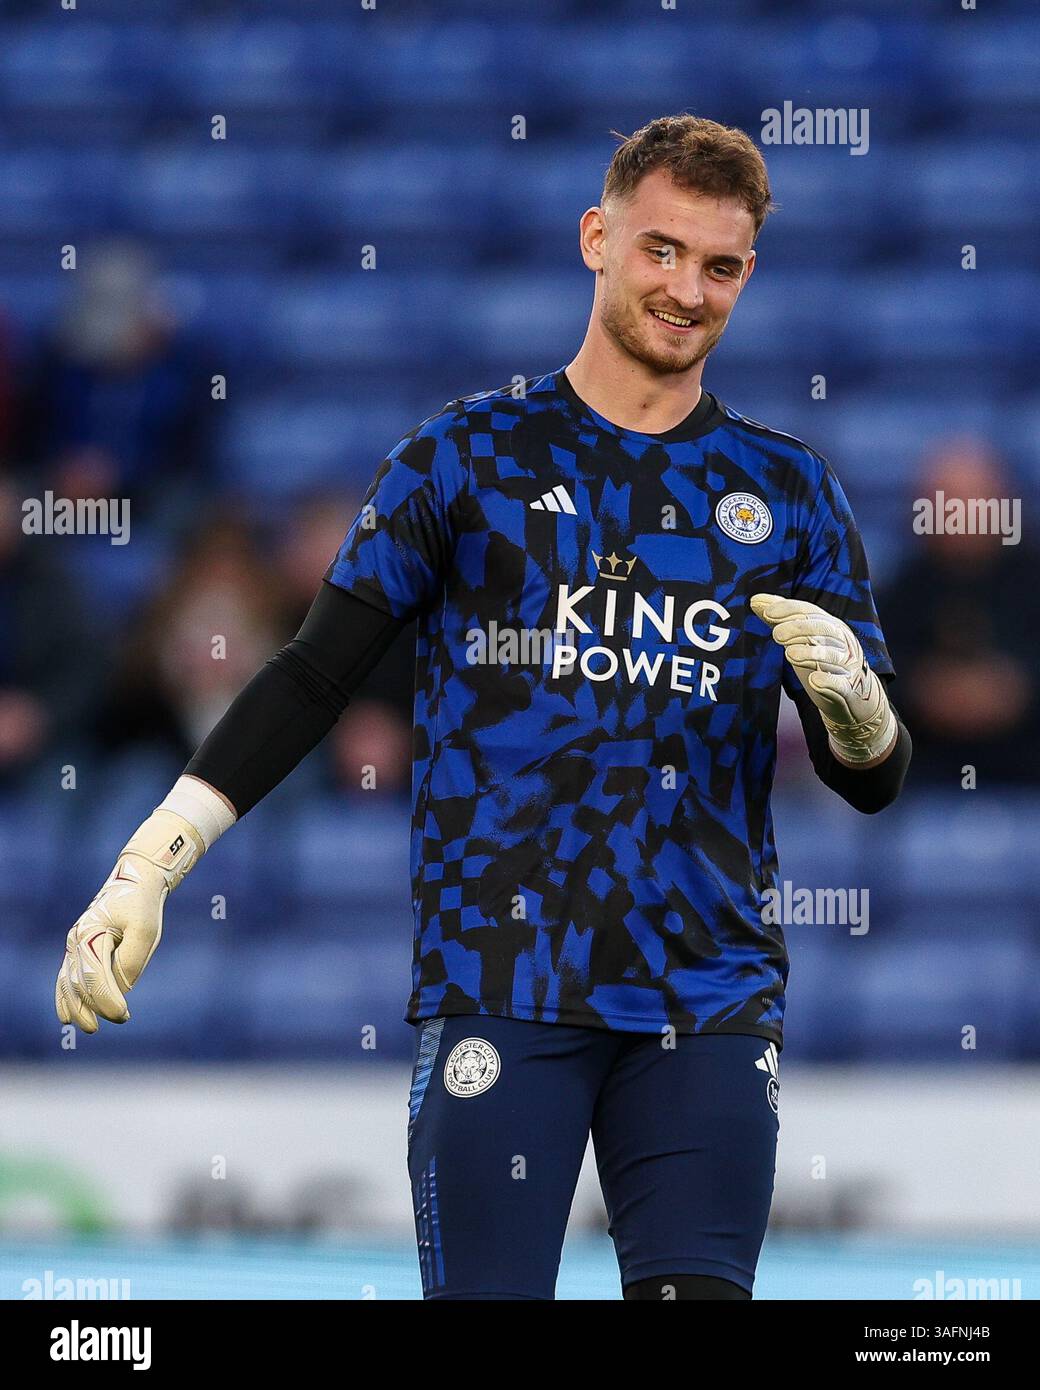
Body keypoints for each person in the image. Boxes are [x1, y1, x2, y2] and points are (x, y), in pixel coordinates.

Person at [55, 115, 911, 1301]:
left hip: (707, 997)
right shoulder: (462, 459)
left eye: (717, 266)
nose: (684, 289)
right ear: (594, 238)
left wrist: (862, 719)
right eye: (658, 251)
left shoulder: (788, 490)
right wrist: (151, 860)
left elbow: (871, 780)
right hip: (503, 984)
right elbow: (311, 674)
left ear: (745, 275)